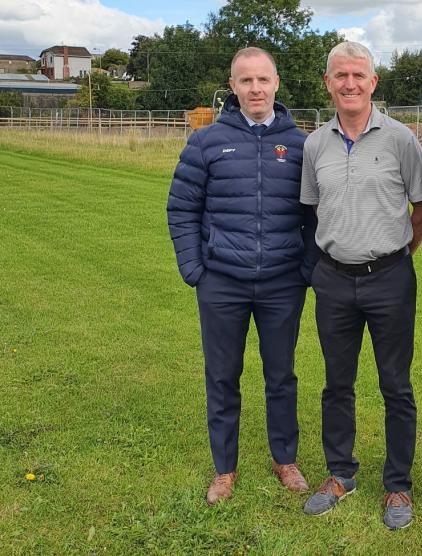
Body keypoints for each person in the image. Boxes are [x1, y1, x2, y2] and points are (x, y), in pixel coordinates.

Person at [167, 47, 317, 505]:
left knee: (281, 376)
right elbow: (181, 208)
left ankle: (285, 459)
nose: (256, 89)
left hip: (281, 282)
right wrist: (195, 268)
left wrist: (305, 268)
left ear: (277, 83)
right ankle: (224, 469)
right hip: (222, 282)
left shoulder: (301, 144)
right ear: (232, 87)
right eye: (245, 81)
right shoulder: (206, 141)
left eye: (263, 80)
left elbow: (315, 215)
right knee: (222, 376)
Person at [299, 41, 422, 530]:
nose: (350, 84)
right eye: (340, 75)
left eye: (359, 75)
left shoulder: (400, 139)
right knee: (337, 384)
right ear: (328, 83)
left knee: (395, 386)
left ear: (373, 82)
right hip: (333, 280)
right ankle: (340, 474)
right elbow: (312, 209)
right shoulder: (315, 145)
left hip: (391, 279)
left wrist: (399, 257)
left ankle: (397, 485)